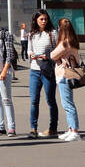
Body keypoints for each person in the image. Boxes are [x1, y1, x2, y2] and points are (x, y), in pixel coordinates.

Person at [26, 10, 59, 138]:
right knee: (34, 100)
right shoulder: (32, 34)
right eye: (41, 19)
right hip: (34, 70)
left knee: (50, 100)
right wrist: (31, 54)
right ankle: (33, 128)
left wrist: (48, 56)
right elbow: (29, 49)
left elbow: (57, 50)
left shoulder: (52, 33)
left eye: (45, 19)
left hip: (48, 70)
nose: (44, 21)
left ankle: (53, 128)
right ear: (36, 20)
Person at [51, 17, 83, 142]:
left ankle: (74, 131)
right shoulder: (73, 41)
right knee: (68, 103)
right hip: (69, 73)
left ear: (60, 28)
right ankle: (71, 129)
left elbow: (52, 55)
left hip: (64, 74)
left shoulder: (65, 42)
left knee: (67, 104)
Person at [0, 11, 18, 136]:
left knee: (6, 99)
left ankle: (11, 127)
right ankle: (0, 127)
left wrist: (5, 70)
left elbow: (10, 54)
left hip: (3, 69)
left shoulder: (5, 34)